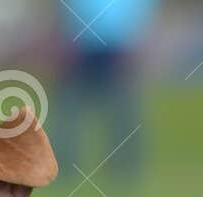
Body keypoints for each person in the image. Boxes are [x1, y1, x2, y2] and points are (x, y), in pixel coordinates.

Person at [55, 0, 158, 186]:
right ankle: (60, 169)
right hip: (82, 46)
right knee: (69, 113)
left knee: (122, 115)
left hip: (119, 47)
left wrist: (138, 40)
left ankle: (123, 170)